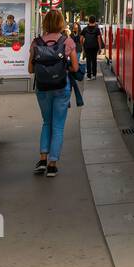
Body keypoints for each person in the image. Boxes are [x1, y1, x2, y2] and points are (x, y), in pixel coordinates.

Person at [28, 9, 78, 177]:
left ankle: (42, 159)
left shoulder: (36, 43)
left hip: (42, 88)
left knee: (46, 123)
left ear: (45, 23)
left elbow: (30, 69)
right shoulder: (67, 41)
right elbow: (76, 68)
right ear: (61, 23)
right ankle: (52, 164)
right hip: (61, 87)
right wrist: (63, 67)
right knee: (58, 126)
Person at [80, 15, 104, 80]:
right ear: (95, 21)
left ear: (88, 21)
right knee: (94, 60)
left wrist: (83, 46)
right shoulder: (97, 29)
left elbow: (81, 39)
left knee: (88, 61)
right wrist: (99, 47)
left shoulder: (85, 29)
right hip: (95, 47)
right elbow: (99, 38)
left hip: (87, 47)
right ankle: (94, 75)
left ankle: (88, 76)